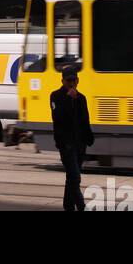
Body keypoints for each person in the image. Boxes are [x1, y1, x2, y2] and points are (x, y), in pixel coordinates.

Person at [50, 68, 95, 212]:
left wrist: (89, 138)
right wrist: (69, 99)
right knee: (75, 177)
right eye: (68, 81)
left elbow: (85, 119)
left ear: (77, 81)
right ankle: (81, 206)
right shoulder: (56, 96)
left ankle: (68, 206)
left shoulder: (81, 98)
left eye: (74, 81)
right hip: (66, 143)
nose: (71, 84)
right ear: (62, 81)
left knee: (72, 177)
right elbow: (58, 117)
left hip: (80, 143)